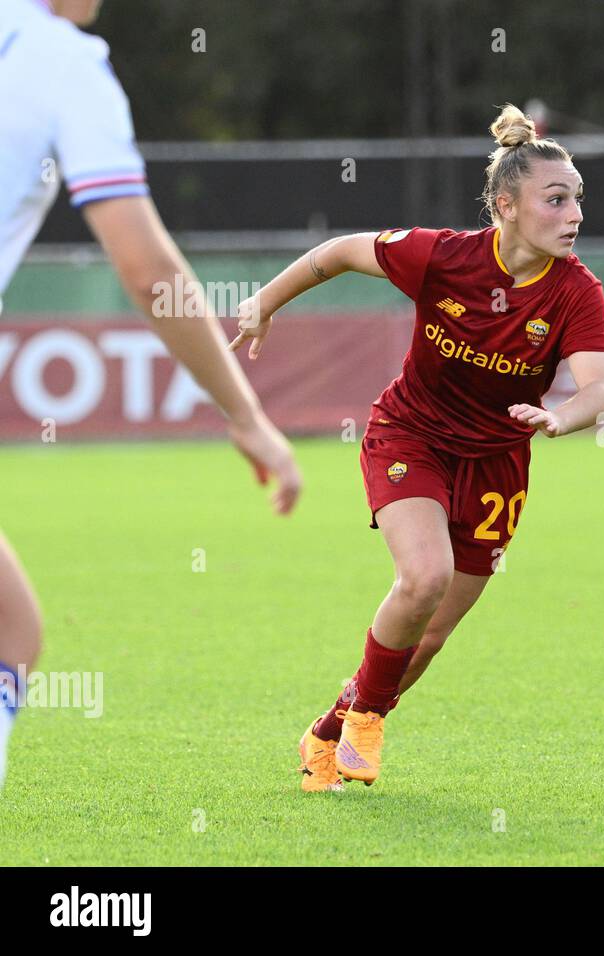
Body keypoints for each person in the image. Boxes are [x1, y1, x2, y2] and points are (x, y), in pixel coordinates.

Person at [228, 103, 604, 791]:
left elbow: (603, 389)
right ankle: (371, 720)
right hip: (411, 435)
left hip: (499, 463)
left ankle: (330, 727)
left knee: (430, 634)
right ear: (506, 205)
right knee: (423, 578)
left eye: (577, 200)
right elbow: (340, 252)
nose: (574, 215)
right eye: (556, 199)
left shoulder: (576, 291)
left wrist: (562, 416)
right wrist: (266, 300)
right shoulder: (442, 257)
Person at [0, 0, 302, 793]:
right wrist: (246, 414)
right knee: (10, 635)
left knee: (12, 630)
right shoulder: (63, 60)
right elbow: (149, 271)